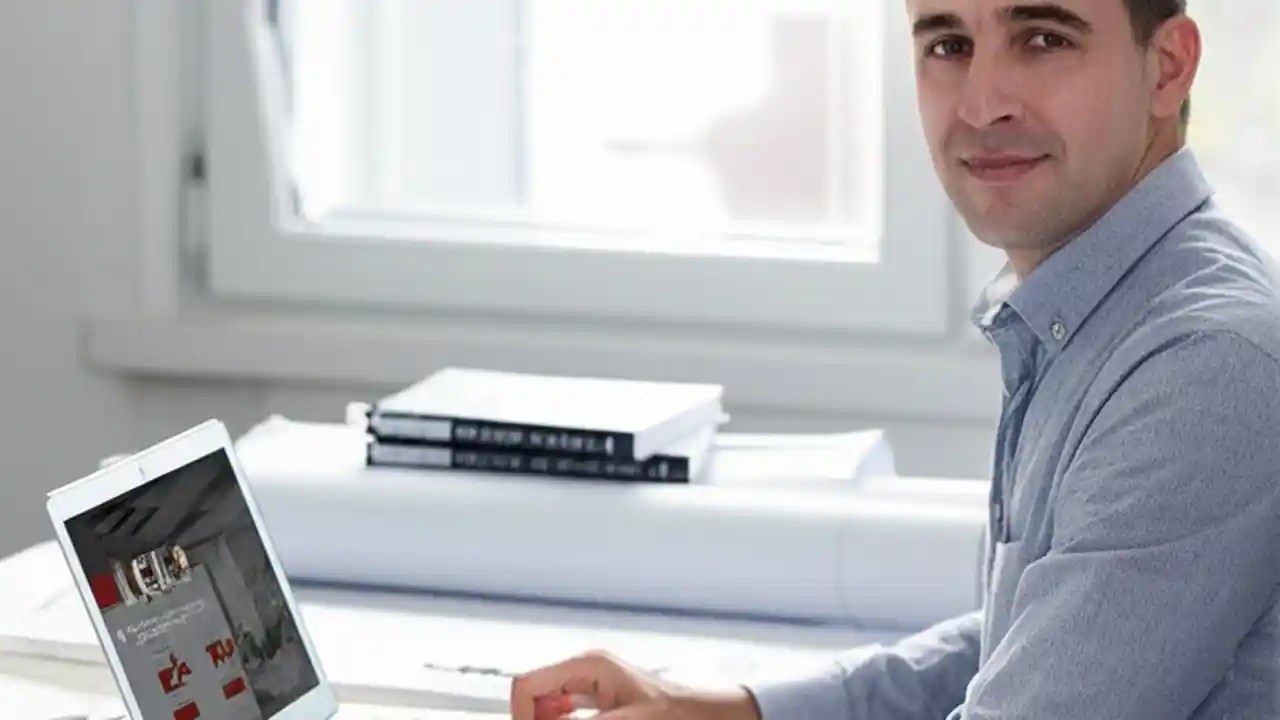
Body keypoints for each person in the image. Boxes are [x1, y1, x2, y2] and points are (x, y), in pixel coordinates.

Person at [509, 0, 1280, 717]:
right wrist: (739, 710)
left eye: (1044, 39)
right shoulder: (1092, 312)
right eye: (949, 45)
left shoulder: (1203, 364)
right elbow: (1032, 635)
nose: (983, 104)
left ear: (1168, 67)